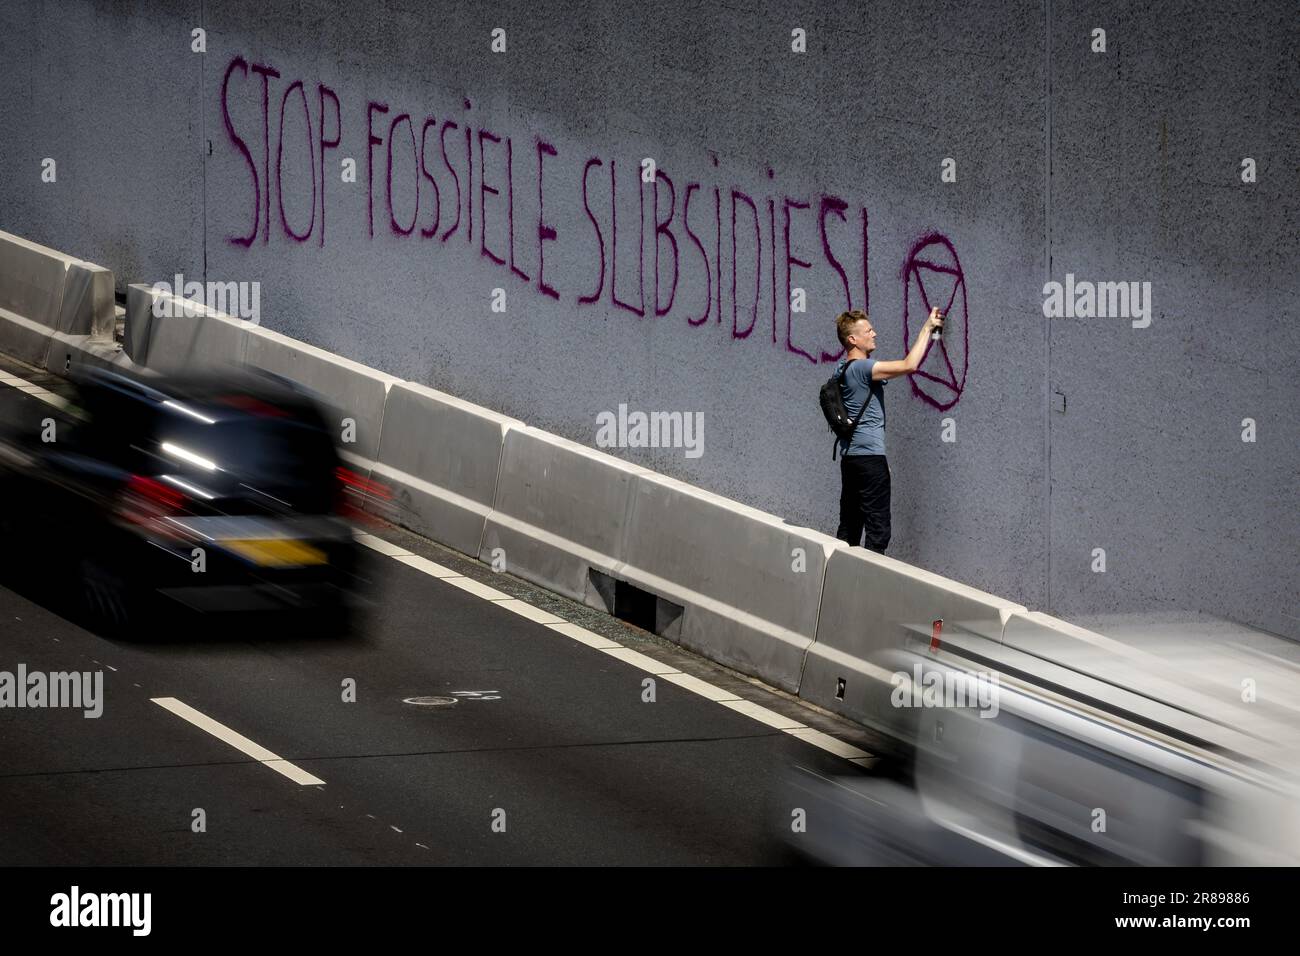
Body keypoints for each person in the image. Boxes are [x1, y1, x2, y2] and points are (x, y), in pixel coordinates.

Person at [832, 306, 944, 552]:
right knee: (878, 530)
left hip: (851, 458)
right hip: (869, 459)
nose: (875, 334)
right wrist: (927, 327)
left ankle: (842, 581)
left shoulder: (841, 370)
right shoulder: (862, 368)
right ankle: (870, 584)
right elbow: (909, 364)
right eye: (868, 330)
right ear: (852, 339)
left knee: (849, 527)